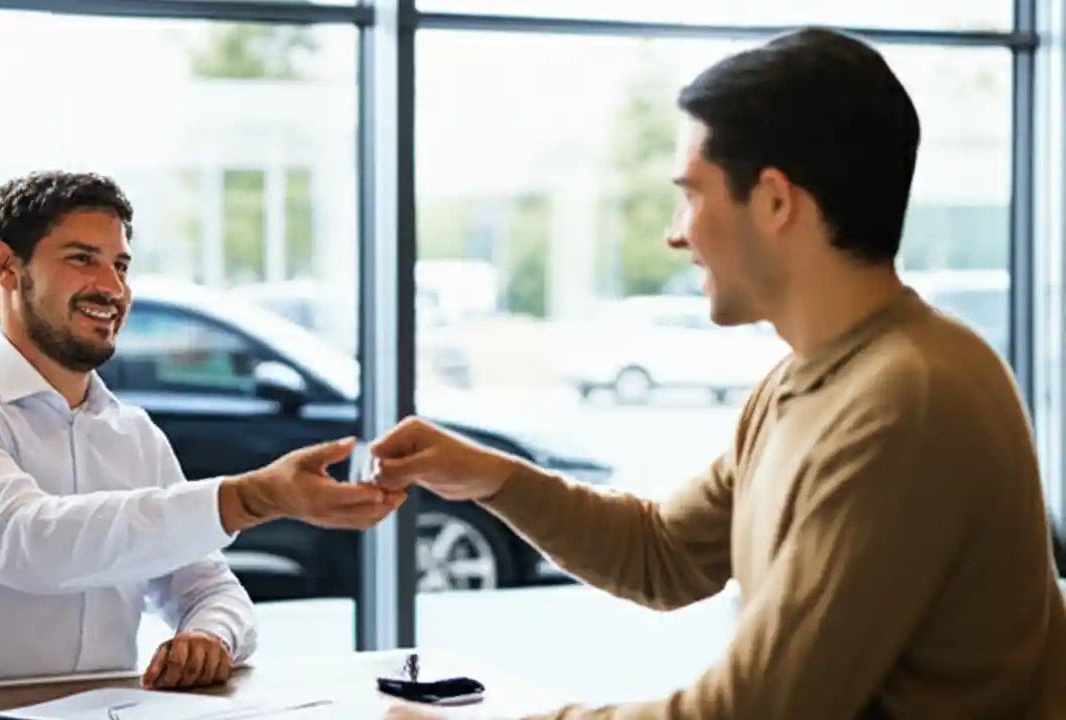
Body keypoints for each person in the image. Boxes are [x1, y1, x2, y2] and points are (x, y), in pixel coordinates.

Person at [377, 28, 1066, 719]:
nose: (676, 233)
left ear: (774, 201)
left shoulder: (907, 402)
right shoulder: (807, 381)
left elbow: (757, 712)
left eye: (692, 195)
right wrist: (493, 477)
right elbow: (664, 553)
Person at [0, 171, 405, 690]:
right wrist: (251, 497)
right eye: (82, 259)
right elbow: (28, 542)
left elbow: (211, 589)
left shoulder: (134, 434)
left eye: (121, 265)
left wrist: (207, 635)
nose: (111, 287)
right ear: (6, 266)